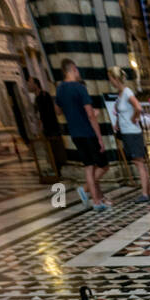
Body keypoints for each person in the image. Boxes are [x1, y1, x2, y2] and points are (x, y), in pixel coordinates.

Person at [54, 59, 111, 211]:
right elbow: (90, 115)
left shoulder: (60, 89)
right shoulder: (79, 88)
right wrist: (99, 137)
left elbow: (58, 111)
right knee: (104, 166)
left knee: (88, 168)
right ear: (73, 69)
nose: (78, 73)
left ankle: (97, 201)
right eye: (77, 70)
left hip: (75, 133)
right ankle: (85, 189)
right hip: (88, 132)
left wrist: (71, 111)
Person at [107, 65, 150, 202]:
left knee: (139, 163)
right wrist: (118, 124)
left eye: (111, 79)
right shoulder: (121, 94)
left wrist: (134, 118)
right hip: (127, 132)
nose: (110, 82)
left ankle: (145, 194)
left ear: (116, 78)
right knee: (139, 162)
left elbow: (138, 107)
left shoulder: (127, 92)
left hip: (132, 133)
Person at [28, 76, 65, 174]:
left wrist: (42, 126)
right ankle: (54, 167)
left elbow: (47, 113)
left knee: (55, 150)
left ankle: (58, 169)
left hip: (51, 128)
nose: (28, 85)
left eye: (30, 83)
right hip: (46, 129)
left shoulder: (44, 95)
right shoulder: (37, 97)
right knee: (49, 151)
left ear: (36, 84)